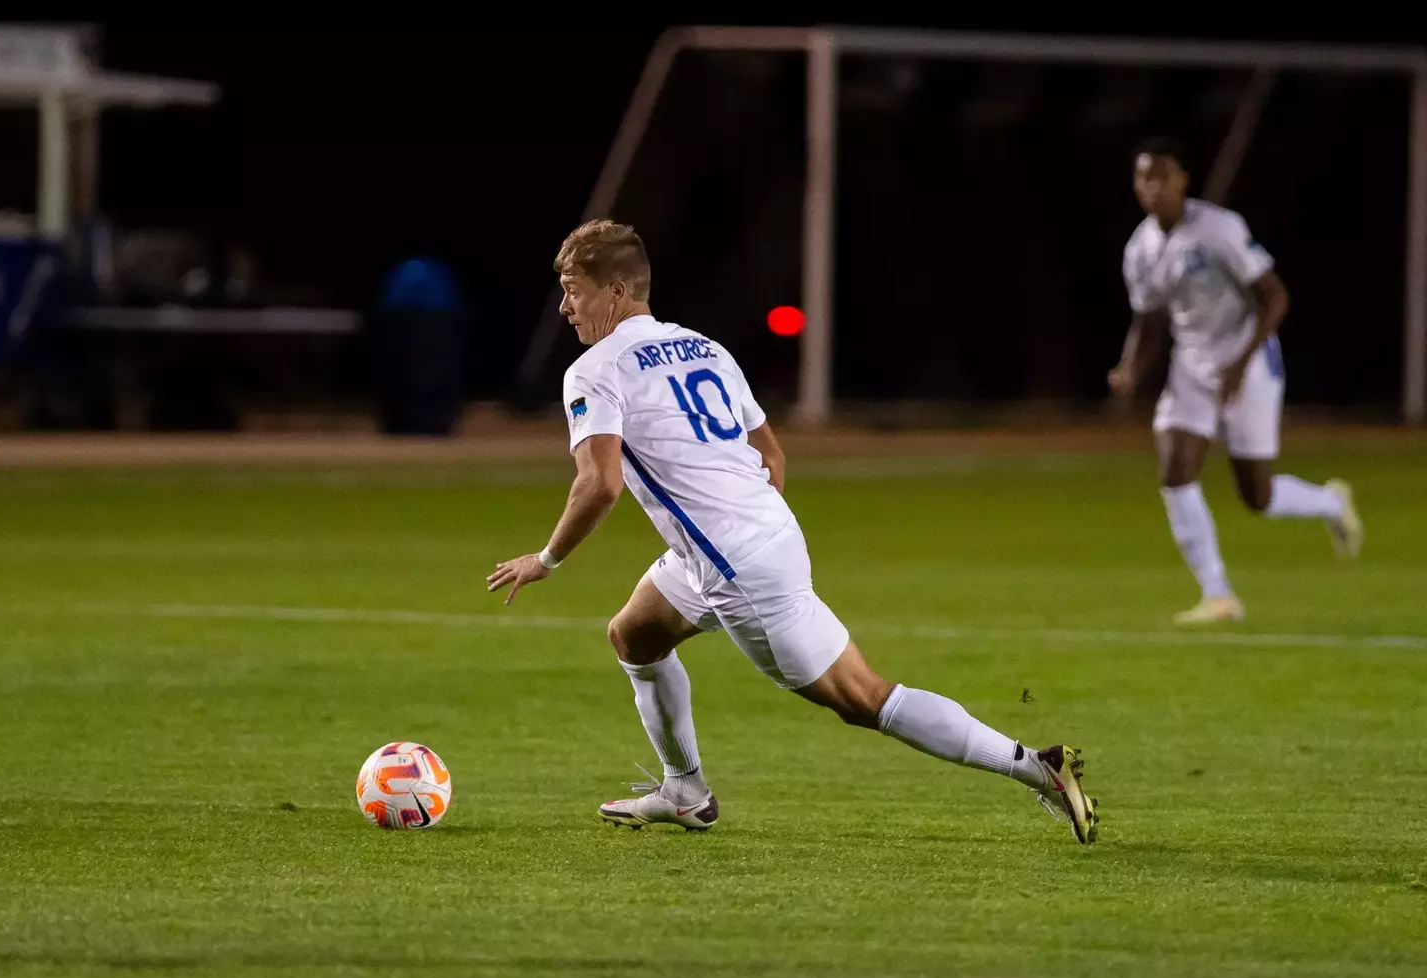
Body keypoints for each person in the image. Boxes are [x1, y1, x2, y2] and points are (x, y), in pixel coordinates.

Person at [486, 219, 1098, 843]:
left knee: (865, 700)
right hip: (752, 537)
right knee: (635, 635)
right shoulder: (704, 348)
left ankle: (1038, 768)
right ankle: (685, 791)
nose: (565, 306)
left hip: (735, 564)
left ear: (616, 291)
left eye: (572, 288)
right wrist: (741, 524)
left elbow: (600, 484)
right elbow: (773, 456)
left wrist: (548, 558)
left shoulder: (594, 370)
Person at [1108, 137, 1363, 626]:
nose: (1152, 187)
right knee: (1176, 468)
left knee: (1257, 495)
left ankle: (1331, 503)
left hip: (1249, 362)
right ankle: (1219, 594)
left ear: (1182, 180)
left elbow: (1275, 296)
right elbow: (1148, 321)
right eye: (1143, 177)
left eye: (1161, 176)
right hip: (1194, 365)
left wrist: (1241, 364)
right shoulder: (1139, 249)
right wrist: (1129, 369)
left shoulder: (1219, 228)